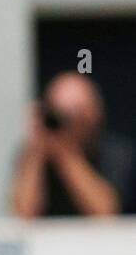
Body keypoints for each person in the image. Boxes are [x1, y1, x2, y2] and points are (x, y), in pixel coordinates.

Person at [11, 72, 134, 218]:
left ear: (95, 113)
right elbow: (23, 214)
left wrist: (67, 155)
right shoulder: (33, 152)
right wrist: (36, 150)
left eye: (76, 111)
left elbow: (106, 212)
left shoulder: (116, 153)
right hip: (46, 239)